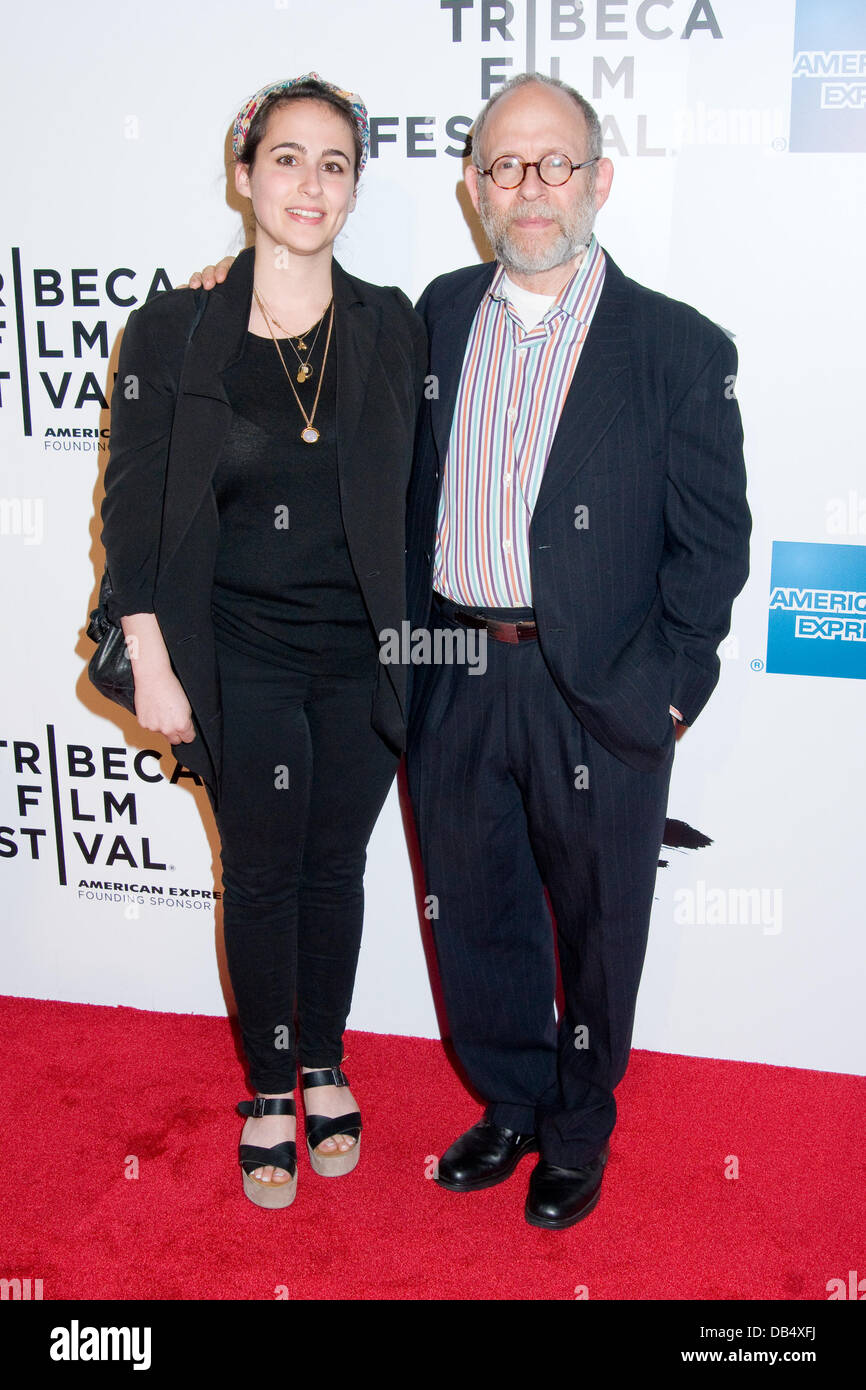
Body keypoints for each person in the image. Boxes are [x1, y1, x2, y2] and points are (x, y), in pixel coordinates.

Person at [188, 70, 750, 1230]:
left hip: (599, 690)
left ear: (599, 178)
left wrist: (672, 695)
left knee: (597, 929)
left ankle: (576, 1130)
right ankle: (507, 1100)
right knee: (475, 909)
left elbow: (711, 550)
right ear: (471, 189)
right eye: (504, 165)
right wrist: (219, 294)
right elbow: (304, 319)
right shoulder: (428, 314)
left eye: (554, 164)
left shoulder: (678, 348)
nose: (529, 188)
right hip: (450, 672)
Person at [99, 73, 427, 1209]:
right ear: (243, 175)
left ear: (353, 188)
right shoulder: (176, 327)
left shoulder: (391, 321)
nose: (309, 184)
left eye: (333, 164)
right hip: (232, 652)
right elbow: (133, 499)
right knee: (261, 869)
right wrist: (149, 653)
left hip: (362, 658)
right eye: (286, 158)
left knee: (335, 865)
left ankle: (323, 1059)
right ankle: (265, 1082)